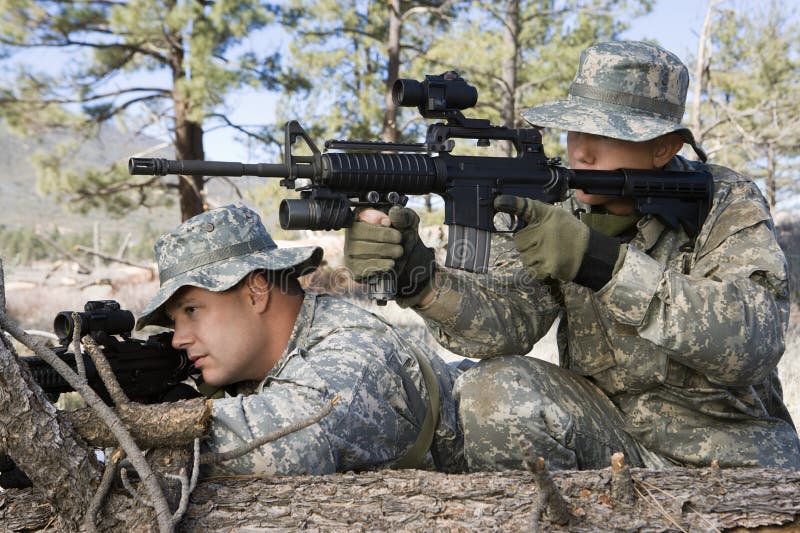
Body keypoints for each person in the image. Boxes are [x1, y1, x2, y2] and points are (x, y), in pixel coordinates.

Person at [345, 40, 800, 470]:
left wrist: (602, 265)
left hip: (733, 454)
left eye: (605, 131)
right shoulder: (560, 203)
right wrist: (421, 280)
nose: (580, 148)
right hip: (612, 435)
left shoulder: (724, 198)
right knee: (493, 391)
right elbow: (508, 324)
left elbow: (751, 342)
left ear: (665, 147)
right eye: (575, 127)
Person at [135, 203, 465, 476]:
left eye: (191, 310)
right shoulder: (261, 363)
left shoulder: (350, 352)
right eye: (174, 321)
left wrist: (146, 422)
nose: (178, 339)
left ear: (256, 291)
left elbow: (283, 446)